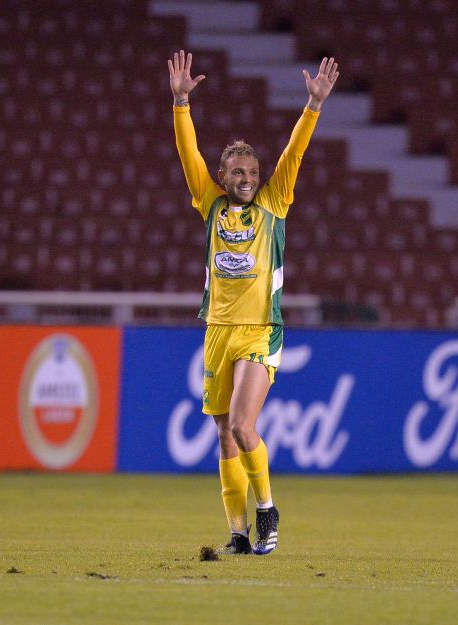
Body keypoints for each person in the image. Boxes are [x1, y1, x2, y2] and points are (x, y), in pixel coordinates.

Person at [167, 50, 338, 555]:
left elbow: (294, 155)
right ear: (222, 176)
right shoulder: (210, 203)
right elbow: (187, 155)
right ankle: (239, 534)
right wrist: (180, 102)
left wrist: (313, 107)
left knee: (243, 425)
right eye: (236, 171)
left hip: (261, 329)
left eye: (252, 170)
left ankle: (267, 510)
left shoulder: (274, 201)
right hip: (217, 330)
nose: (245, 178)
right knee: (223, 435)